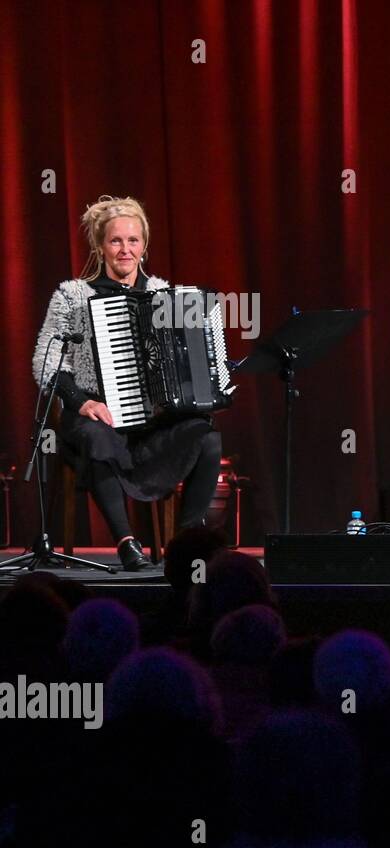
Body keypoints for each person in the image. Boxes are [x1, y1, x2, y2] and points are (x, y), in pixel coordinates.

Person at [32, 196, 223, 571]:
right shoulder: (73, 295)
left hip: (153, 421)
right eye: (116, 241)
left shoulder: (167, 294)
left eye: (133, 241)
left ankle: (187, 543)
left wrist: (210, 375)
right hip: (97, 412)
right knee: (97, 434)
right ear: (100, 246)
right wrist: (79, 401)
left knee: (207, 436)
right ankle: (126, 542)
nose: (125, 249)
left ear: (144, 246)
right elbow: (47, 358)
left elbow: (191, 353)